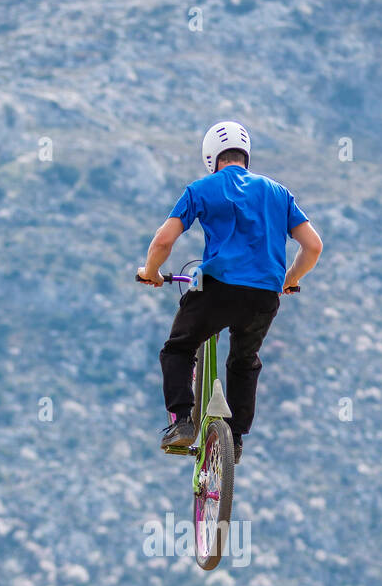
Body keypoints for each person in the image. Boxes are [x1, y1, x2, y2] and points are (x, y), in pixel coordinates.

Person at [137, 120, 322, 463]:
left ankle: (181, 423)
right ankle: (234, 439)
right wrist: (290, 279)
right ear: (246, 155)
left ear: (211, 157)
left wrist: (150, 273)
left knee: (178, 348)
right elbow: (313, 246)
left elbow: (164, 240)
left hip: (218, 289)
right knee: (244, 361)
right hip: (264, 296)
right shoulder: (279, 193)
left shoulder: (201, 189)